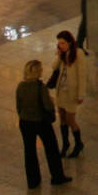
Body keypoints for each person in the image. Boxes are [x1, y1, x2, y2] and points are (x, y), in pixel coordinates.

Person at [16, 60, 71, 188]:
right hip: (41, 122)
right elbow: (47, 106)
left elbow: (18, 106)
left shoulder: (20, 86)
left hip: (25, 122)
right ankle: (57, 176)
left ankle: (33, 181)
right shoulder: (40, 87)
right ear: (38, 72)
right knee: (51, 148)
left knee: (29, 151)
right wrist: (52, 104)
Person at [49, 31, 86, 158]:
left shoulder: (78, 54)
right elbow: (53, 67)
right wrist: (59, 55)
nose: (61, 46)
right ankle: (65, 144)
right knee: (62, 119)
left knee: (71, 120)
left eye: (63, 43)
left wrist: (81, 94)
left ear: (69, 42)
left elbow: (81, 75)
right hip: (61, 92)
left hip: (71, 93)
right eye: (59, 44)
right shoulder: (61, 53)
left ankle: (78, 143)